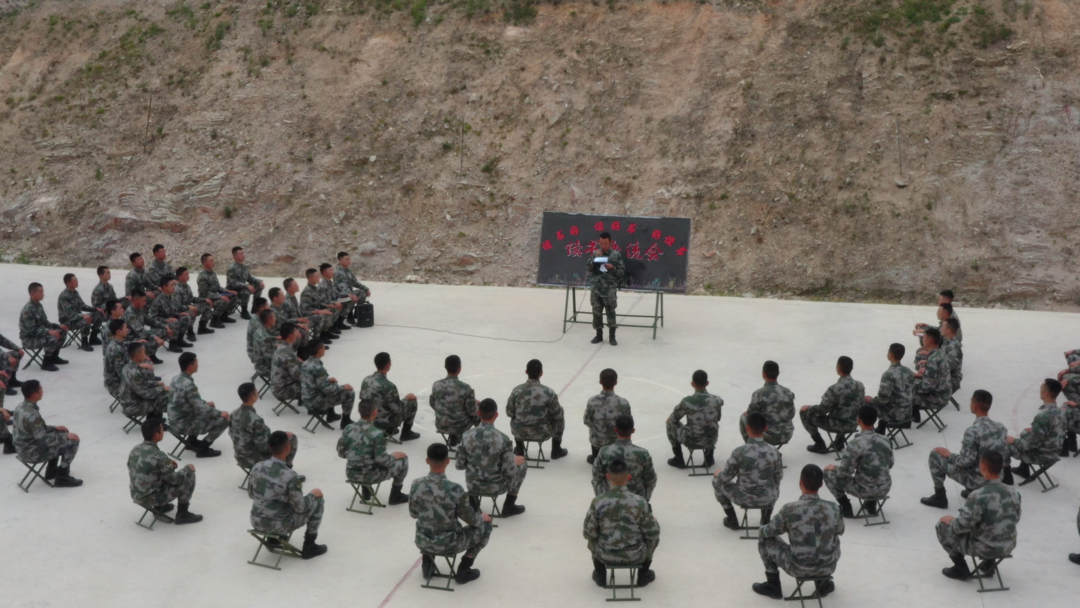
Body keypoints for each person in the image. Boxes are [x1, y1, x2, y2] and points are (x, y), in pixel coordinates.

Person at [752, 464, 844, 599]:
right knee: (834, 537)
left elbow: (769, 531)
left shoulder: (790, 509)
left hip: (798, 567)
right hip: (828, 567)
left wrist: (762, 528)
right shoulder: (834, 508)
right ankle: (823, 584)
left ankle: (773, 586)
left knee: (764, 539)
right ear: (821, 485)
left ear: (800, 483)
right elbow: (840, 530)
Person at [410, 443, 493, 584]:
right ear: (448, 461)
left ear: (427, 460)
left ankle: (427, 564)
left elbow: (413, 513)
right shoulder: (455, 489)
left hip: (423, 541)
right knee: (486, 525)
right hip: (450, 543)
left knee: (430, 524)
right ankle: (464, 569)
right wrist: (482, 518)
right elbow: (470, 518)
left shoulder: (417, 484)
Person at [935, 451, 1019, 580]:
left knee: (941, 526)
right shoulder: (1014, 493)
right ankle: (988, 564)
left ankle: (960, 568)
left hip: (985, 547)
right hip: (1008, 545)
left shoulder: (978, 495)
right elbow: (1015, 518)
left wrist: (951, 521)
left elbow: (961, 527)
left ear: (983, 467)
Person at [921, 389, 1008, 508]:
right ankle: (971, 492)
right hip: (997, 477)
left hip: (978, 479)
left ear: (975, 405)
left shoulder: (972, 431)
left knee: (935, 455)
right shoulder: (1001, 427)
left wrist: (949, 454)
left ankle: (940, 497)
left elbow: (965, 461)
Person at [249, 430, 327, 558]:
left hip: (256, 521)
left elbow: (251, 494)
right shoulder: (290, 476)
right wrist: (313, 494)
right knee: (318, 499)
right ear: (288, 448)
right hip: (280, 525)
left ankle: (273, 540)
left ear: (269, 447)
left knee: (277, 502)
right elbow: (300, 507)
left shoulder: (257, 467)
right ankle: (310, 545)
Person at [583, 459, 660, 587]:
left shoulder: (598, 502)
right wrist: (653, 521)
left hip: (605, 554)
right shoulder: (640, 502)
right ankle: (643, 574)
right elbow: (653, 533)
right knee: (654, 536)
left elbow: (588, 532)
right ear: (628, 477)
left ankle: (600, 574)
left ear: (608, 477)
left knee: (591, 539)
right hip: (636, 555)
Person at [456, 398, 527, 516]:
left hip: (473, 485)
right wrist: (514, 463)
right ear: (496, 415)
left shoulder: (466, 436)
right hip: (496, 486)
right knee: (522, 464)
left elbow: (459, 465)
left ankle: (473, 502)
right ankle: (509, 505)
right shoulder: (503, 438)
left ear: (478, 413)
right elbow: (509, 471)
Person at [714, 412, 782, 530]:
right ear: (765, 428)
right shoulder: (774, 451)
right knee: (775, 483)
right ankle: (765, 519)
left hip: (743, 497)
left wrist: (718, 474)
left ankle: (732, 519)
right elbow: (779, 476)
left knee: (716, 481)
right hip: (768, 497)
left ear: (747, 428)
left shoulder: (739, 452)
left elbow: (726, 478)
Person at [127, 417, 202, 524]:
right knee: (189, 473)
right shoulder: (159, 456)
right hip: (153, 497)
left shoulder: (135, 450)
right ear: (156, 435)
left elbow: (148, 469)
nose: (163, 432)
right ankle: (183, 514)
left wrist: (167, 464)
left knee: (160, 476)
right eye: (162, 430)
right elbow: (175, 480)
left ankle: (160, 508)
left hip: (137, 494)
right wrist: (187, 469)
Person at [823, 406, 893, 518]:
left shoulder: (855, 444)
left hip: (864, 489)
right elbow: (890, 464)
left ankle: (845, 506)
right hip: (884, 488)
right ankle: (871, 505)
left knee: (828, 473)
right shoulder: (885, 440)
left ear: (859, 420)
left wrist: (835, 468)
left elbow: (844, 473)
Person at [336, 399, 410, 505]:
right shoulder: (377, 433)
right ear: (375, 413)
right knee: (403, 460)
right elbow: (383, 460)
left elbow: (341, 453)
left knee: (365, 459)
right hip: (371, 475)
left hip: (351, 473)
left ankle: (366, 492)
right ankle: (396, 495)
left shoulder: (348, 429)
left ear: (359, 410)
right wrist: (393, 457)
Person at [12, 380, 82, 487]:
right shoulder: (32, 414)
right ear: (35, 394)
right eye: (41, 390)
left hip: (23, 448)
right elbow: (43, 439)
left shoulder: (20, 407)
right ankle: (62, 477)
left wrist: (54, 428)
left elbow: (33, 430)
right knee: (73, 441)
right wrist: (65, 437)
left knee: (58, 433)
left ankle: (51, 471)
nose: (42, 392)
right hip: (32, 453)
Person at [1004, 378, 1066, 483]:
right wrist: (1035, 431)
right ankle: (1023, 469)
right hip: (1054, 451)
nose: (1039, 392)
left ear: (1046, 394)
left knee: (1005, 445)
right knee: (1025, 433)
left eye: (1041, 390)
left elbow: (1029, 445)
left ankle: (1006, 478)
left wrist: (1013, 440)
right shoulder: (1061, 412)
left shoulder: (1043, 415)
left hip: (1042, 455)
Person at [168, 353, 229, 458]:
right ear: (190, 367)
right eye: (196, 363)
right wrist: (220, 413)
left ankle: (191, 441)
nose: (198, 365)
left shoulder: (175, 379)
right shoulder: (188, 384)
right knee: (224, 420)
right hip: (183, 424)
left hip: (174, 420)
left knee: (209, 408)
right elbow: (200, 408)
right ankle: (203, 449)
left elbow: (187, 402)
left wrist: (206, 404)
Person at [801, 356, 865, 454]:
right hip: (853, 424)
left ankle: (819, 444)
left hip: (836, 425)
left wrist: (809, 408)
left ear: (839, 369)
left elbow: (822, 410)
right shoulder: (860, 386)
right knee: (845, 411)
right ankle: (839, 442)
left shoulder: (834, 389)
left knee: (804, 413)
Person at [506, 359, 568, 459]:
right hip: (543, 433)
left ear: (526, 372)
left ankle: (519, 448)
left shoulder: (516, 391)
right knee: (560, 418)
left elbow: (509, 412)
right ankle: (556, 449)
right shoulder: (548, 392)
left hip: (520, 432)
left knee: (515, 417)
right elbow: (557, 414)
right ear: (541, 373)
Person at [230, 382, 298, 469]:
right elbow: (264, 447)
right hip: (254, 459)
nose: (258, 393)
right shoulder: (256, 420)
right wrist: (268, 431)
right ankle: (285, 471)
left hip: (240, 457)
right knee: (291, 438)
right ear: (253, 397)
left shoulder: (234, 414)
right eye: (256, 392)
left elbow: (232, 434)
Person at [666, 369, 723, 468]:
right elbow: (718, 418)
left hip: (692, 440)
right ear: (707, 383)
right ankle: (709, 457)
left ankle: (678, 458)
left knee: (670, 423)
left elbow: (674, 418)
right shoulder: (717, 400)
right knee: (712, 424)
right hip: (711, 440)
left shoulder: (688, 401)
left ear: (692, 383)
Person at [593, 415, 656, 500]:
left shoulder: (604, 451)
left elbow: (597, 478)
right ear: (633, 431)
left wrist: (602, 499)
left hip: (610, 499)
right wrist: (644, 501)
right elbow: (651, 480)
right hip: (636, 500)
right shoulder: (643, 453)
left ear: (615, 430)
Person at [361, 352, 420, 441]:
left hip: (368, 418)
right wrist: (406, 398)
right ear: (388, 365)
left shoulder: (366, 380)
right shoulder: (389, 386)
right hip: (382, 422)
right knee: (412, 401)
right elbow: (398, 409)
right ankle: (406, 432)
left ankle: (389, 430)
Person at [738, 361, 796, 447]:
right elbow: (791, 414)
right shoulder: (788, 392)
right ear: (778, 373)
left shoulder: (759, 393)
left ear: (763, 374)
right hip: (787, 434)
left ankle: (753, 448)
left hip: (769, 435)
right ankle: (772, 451)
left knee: (744, 417)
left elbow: (751, 415)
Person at [300, 339, 355, 428]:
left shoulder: (305, 363)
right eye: (323, 347)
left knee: (333, 382)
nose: (325, 348)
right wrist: (343, 387)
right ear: (320, 351)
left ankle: (331, 415)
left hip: (306, 398)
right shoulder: (318, 368)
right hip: (316, 402)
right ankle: (346, 421)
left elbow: (312, 381)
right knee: (349, 393)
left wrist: (328, 380)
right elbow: (329, 391)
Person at [583, 368, 632, 464]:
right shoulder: (623, 403)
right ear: (616, 382)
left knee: (594, 427)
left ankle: (595, 456)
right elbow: (628, 423)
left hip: (598, 441)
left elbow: (587, 421)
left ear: (600, 381)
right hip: (617, 442)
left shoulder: (592, 401)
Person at [585, 232, 625, 345]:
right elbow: (588, 268)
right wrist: (594, 259)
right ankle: (599, 335)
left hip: (609, 290)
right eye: (601, 243)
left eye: (605, 243)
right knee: (596, 313)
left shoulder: (616, 255)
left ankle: (612, 336)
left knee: (610, 313)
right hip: (596, 289)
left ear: (610, 242)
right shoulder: (595, 253)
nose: (603, 246)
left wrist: (613, 268)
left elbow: (621, 272)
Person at [429, 355, 478, 446]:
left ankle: (453, 437)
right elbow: (472, 411)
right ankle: (481, 440)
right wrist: (476, 404)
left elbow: (433, 403)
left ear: (445, 367)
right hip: (460, 426)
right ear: (459, 369)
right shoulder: (465, 388)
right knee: (481, 412)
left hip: (441, 425)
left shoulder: (437, 384)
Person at [865, 343, 915, 433]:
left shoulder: (888, 374)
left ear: (891, 355)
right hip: (908, 413)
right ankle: (881, 427)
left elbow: (882, 400)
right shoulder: (909, 371)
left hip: (894, 415)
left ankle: (868, 432)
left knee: (866, 405)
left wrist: (871, 400)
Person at [19, 282, 69, 371]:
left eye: (43, 292)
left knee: (62, 331)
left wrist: (58, 326)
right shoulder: (27, 310)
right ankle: (46, 363)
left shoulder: (38, 305)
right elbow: (32, 330)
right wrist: (49, 331)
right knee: (52, 338)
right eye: (40, 292)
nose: (43, 294)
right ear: (33, 293)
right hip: (30, 339)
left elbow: (45, 323)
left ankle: (54, 357)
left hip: (39, 334)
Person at [119, 343, 170, 419]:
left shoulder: (129, 366)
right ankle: (154, 424)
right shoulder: (134, 372)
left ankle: (155, 421)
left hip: (132, 400)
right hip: (133, 406)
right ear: (138, 355)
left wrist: (156, 383)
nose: (145, 354)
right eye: (144, 352)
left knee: (162, 391)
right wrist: (162, 388)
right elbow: (146, 394)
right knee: (166, 398)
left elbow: (142, 384)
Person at [57, 273, 104, 351]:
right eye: (75, 280)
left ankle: (93, 337)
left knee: (98, 314)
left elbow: (82, 306)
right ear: (68, 283)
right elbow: (69, 314)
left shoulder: (75, 293)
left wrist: (95, 309)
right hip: (67, 321)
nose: (77, 282)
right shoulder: (64, 296)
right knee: (85, 320)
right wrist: (83, 316)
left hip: (77, 317)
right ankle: (84, 342)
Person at [175, 266, 222, 337]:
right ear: (180, 276)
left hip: (189, 307)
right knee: (192, 311)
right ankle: (190, 331)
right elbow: (177, 306)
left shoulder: (187, 286)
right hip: (181, 310)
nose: (188, 276)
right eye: (186, 274)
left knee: (207, 305)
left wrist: (205, 299)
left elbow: (192, 298)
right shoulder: (177, 289)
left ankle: (202, 327)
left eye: (188, 274)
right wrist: (188, 306)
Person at [149, 276, 194, 351]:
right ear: (164, 287)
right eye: (171, 285)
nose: (174, 287)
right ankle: (172, 344)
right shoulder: (157, 301)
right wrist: (165, 320)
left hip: (171, 321)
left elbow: (175, 309)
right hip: (160, 326)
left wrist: (179, 314)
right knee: (174, 322)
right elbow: (152, 318)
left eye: (174, 285)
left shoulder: (172, 297)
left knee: (186, 317)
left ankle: (180, 340)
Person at [124, 289, 170, 360]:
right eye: (143, 300)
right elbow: (140, 330)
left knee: (163, 331)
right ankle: (142, 357)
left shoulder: (139, 310)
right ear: (136, 301)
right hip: (131, 338)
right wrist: (156, 338)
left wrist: (165, 326)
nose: (145, 303)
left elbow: (150, 321)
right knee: (146, 342)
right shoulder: (130, 313)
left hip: (140, 335)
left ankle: (151, 354)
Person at [301, 268, 339, 343]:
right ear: (310, 278)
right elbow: (305, 310)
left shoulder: (314, 289)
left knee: (334, 309)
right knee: (322, 315)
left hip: (316, 311)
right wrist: (320, 311)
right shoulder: (307, 292)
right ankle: (317, 338)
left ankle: (326, 332)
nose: (319, 278)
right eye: (317, 276)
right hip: (310, 315)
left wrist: (328, 305)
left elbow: (318, 303)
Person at [196, 253, 236, 325]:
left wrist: (228, 291)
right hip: (206, 299)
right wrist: (220, 296)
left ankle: (224, 316)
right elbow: (206, 293)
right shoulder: (202, 277)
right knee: (223, 301)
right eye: (211, 261)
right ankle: (214, 320)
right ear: (205, 262)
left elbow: (218, 287)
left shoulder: (213, 274)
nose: (213, 262)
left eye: (213, 260)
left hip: (215, 296)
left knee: (233, 296)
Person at [227, 246, 264, 319]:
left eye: (243, 253)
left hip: (243, 287)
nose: (243, 255)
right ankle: (244, 311)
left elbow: (250, 278)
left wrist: (259, 281)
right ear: (235, 256)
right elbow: (233, 283)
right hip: (233, 289)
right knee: (245, 291)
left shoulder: (244, 267)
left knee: (259, 285)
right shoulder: (232, 268)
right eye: (241, 254)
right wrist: (247, 286)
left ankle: (255, 307)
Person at [271, 324, 303, 405]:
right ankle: (314, 408)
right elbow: (296, 375)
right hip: (283, 390)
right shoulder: (288, 352)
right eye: (295, 331)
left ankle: (303, 400)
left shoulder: (282, 347)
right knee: (313, 384)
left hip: (277, 385)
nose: (297, 333)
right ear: (290, 336)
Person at [334, 251, 371, 319]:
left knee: (362, 293)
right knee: (350, 298)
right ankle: (342, 318)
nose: (349, 261)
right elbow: (343, 289)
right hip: (340, 296)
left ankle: (357, 313)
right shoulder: (339, 273)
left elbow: (355, 282)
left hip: (348, 293)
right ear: (340, 260)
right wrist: (352, 295)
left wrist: (366, 289)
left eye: (349, 259)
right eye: (346, 259)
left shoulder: (347, 271)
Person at [319, 263, 355, 332]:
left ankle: (339, 322)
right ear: (324, 272)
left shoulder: (330, 283)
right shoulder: (322, 286)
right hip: (326, 305)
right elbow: (322, 301)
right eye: (330, 270)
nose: (333, 272)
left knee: (350, 300)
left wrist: (348, 295)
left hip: (333, 302)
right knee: (335, 307)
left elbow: (337, 293)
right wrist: (334, 302)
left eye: (332, 270)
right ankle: (330, 327)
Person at [103, 319, 131, 396]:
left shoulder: (118, 343)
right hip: (115, 383)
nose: (127, 330)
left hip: (120, 378)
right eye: (125, 328)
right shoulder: (116, 349)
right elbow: (121, 373)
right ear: (119, 331)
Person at [251, 308, 277, 379]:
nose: (275, 319)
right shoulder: (265, 337)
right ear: (269, 320)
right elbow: (269, 359)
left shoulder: (260, 330)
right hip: (264, 367)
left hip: (260, 362)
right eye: (274, 317)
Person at [246, 297, 270, 362]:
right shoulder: (256, 323)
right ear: (262, 309)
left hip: (261, 346)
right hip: (256, 352)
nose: (269, 307)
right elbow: (264, 341)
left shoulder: (261, 318)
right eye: (267, 305)